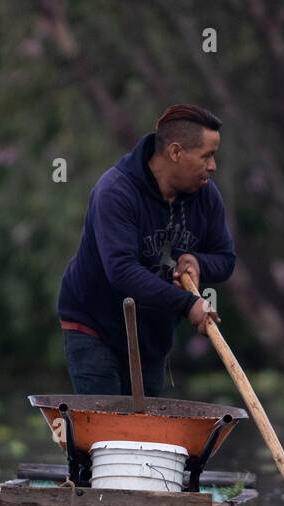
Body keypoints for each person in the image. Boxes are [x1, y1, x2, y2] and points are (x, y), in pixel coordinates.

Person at [56, 104, 235, 395]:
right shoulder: (115, 192)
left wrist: (198, 263)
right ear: (175, 153)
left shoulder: (206, 195)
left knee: (145, 434)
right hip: (94, 327)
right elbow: (122, 272)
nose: (213, 166)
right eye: (207, 156)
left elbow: (226, 259)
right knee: (109, 431)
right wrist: (187, 304)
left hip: (152, 334)